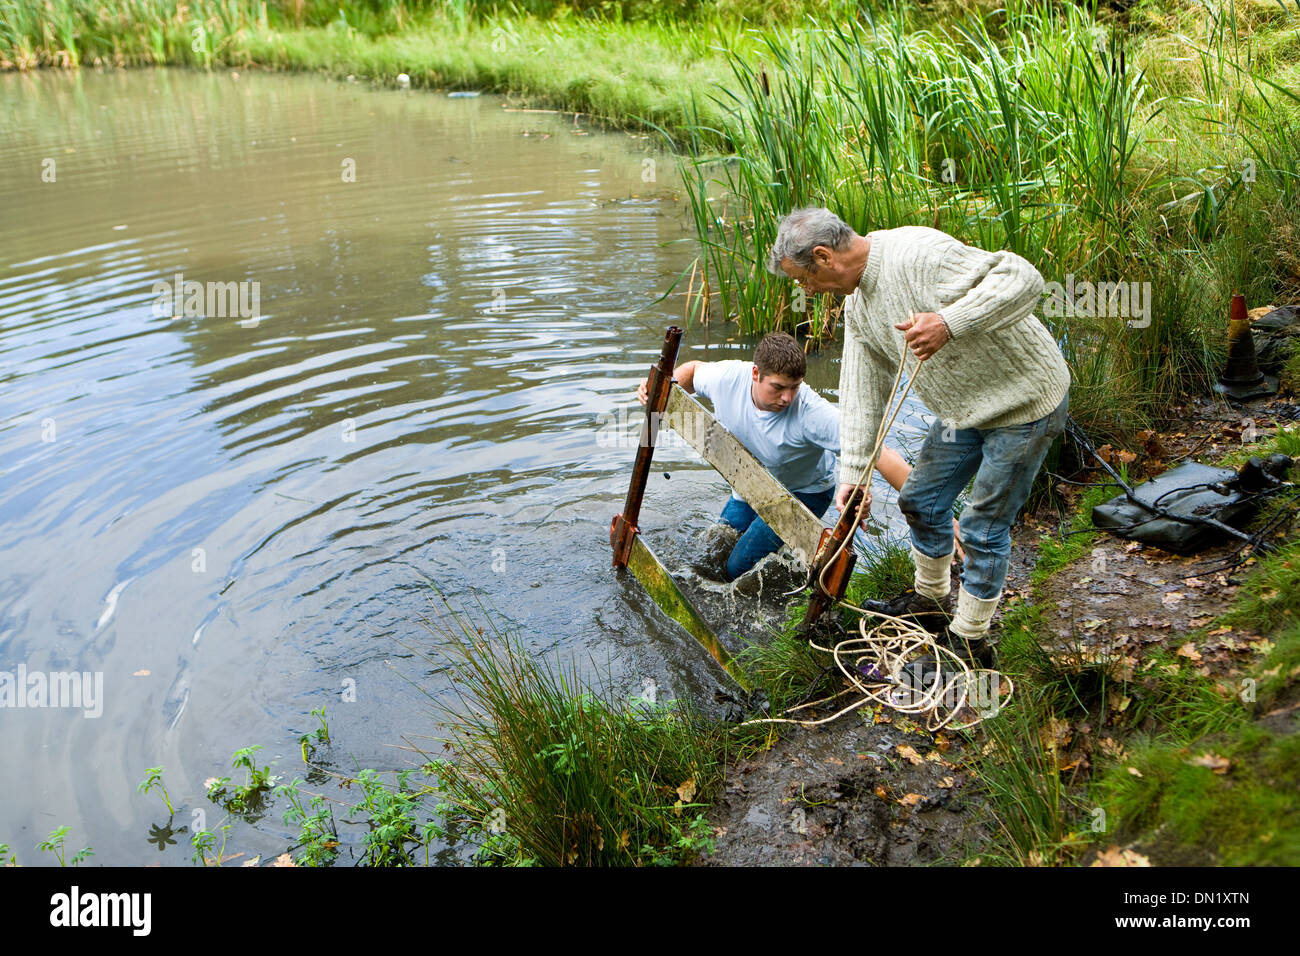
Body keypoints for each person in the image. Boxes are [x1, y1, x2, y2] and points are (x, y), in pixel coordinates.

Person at [767, 207, 1070, 663]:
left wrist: (950, 322)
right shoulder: (858, 307)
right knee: (921, 501)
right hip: (962, 413)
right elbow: (861, 393)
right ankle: (930, 603)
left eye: (802, 279)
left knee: (983, 527)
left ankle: (969, 639)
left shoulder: (916, 254)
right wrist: (855, 473)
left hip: (1025, 403)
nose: (804, 290)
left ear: (824, 256)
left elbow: (1023, 278)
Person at [636, 332, 950, 581]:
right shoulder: (728, 377)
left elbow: (879, 452)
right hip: (750, 482)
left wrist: (934, 512)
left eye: (795, 387)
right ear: (756, 374)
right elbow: (689, 371)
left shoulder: (812, 414)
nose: (787, 398)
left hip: (804, 492)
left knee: (734, 567)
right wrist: (660, 388)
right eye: (778, 387)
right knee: (713, 549)